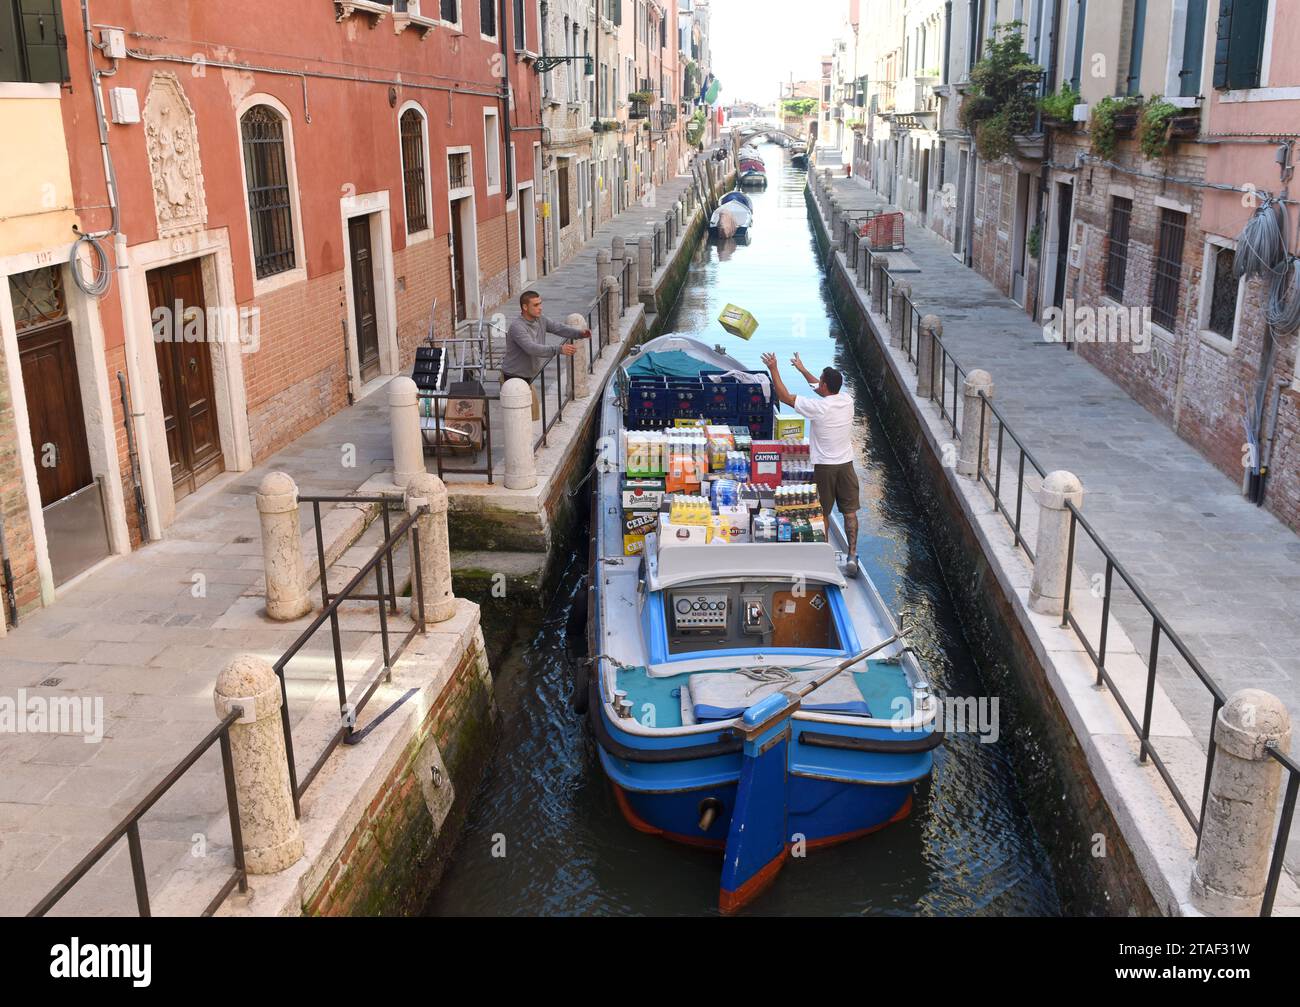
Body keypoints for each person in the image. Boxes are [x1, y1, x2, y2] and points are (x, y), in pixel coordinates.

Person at [761, 351, 860, 577]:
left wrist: (774, 368)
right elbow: (818, 385)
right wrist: (802, 369)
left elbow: (785, 397)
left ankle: (825, 555)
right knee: (850, 512)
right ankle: (852, 555)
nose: (819, 385)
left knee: (823, 512)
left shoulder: (819, 408)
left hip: (825, 468)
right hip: (847, 466)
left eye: (821, 382)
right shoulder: (846, 400)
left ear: (825, 386)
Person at [502, 290, 591, 421]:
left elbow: (558, 328)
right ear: (525, 307)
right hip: (513, 378)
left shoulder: (540, 320)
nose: (540, 308)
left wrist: (579, 333)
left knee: (532, 417)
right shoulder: (517, 327)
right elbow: (531, 348)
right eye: (536, 305)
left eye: (540, 304)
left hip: (527, 377)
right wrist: (559, 349)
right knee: (519, 420)